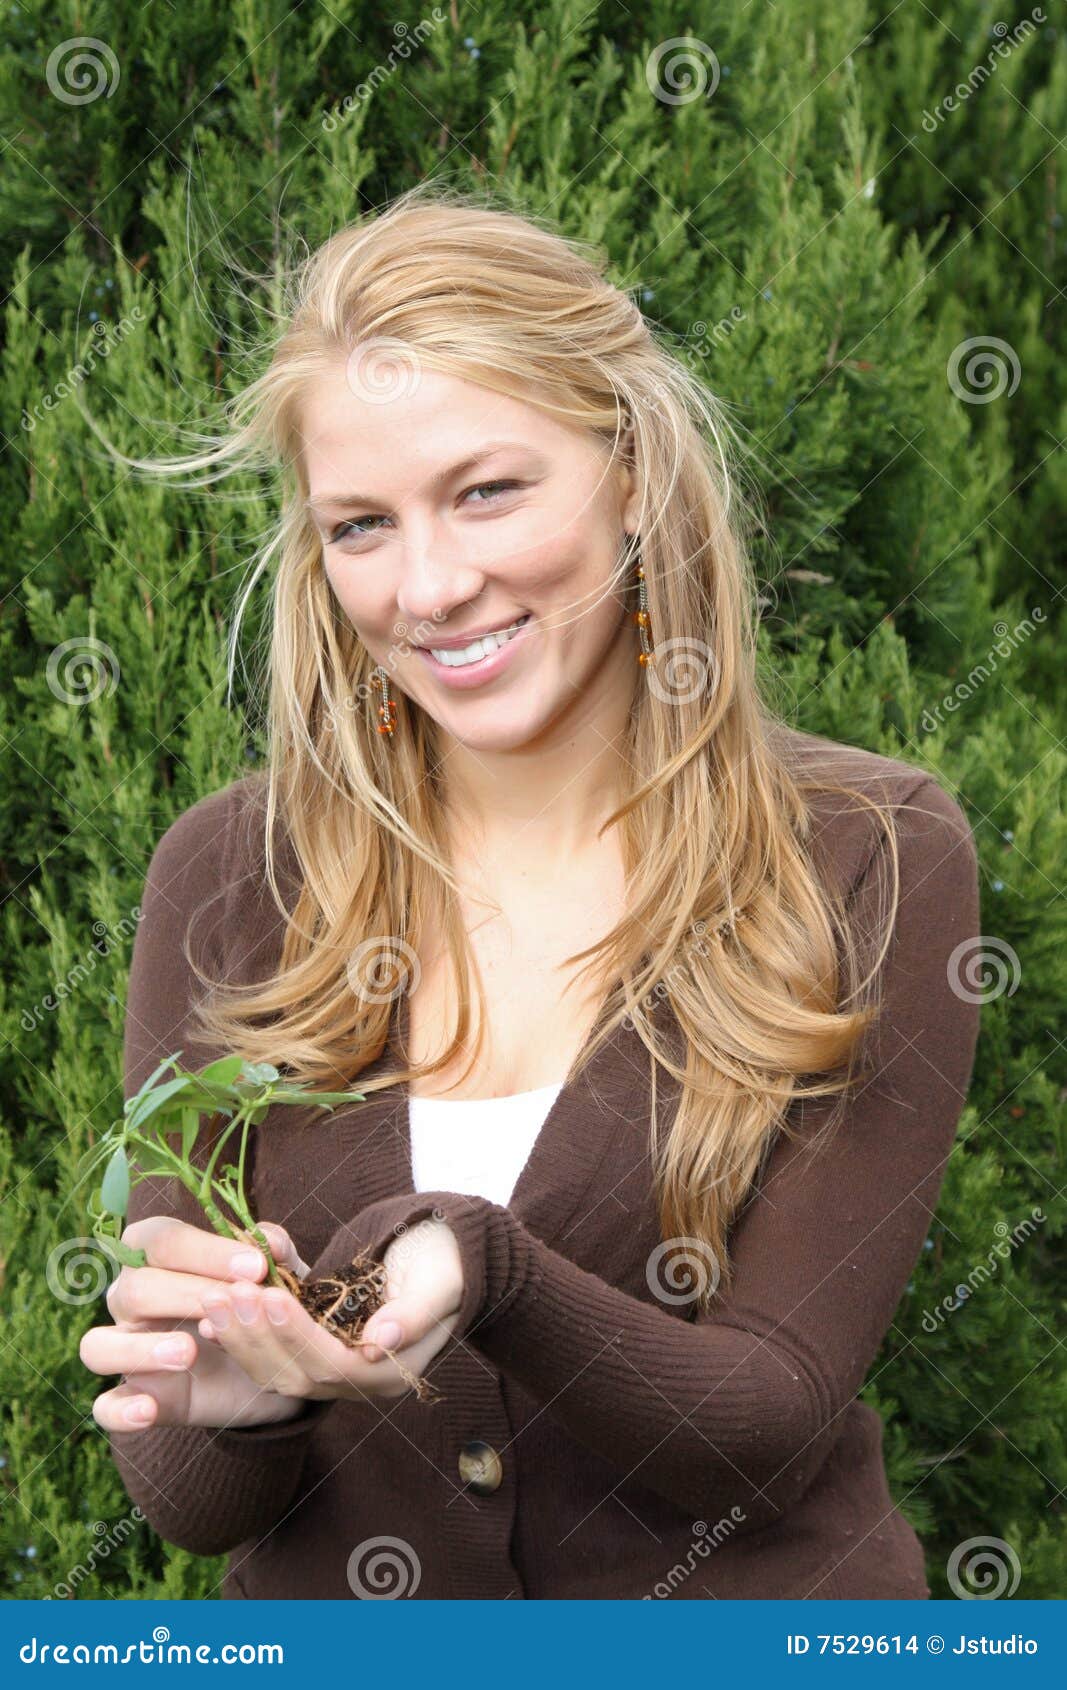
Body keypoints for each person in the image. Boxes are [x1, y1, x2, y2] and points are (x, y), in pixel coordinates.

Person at [80, 183, 981, 1600]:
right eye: (360, 525)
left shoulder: (869, 851)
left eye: (486, 490)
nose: (430, 586)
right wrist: (239, 1402)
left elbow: (767, 1420)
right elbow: (193, 1499)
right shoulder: (230, 874)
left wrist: (481, 1267)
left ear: (629, 473)